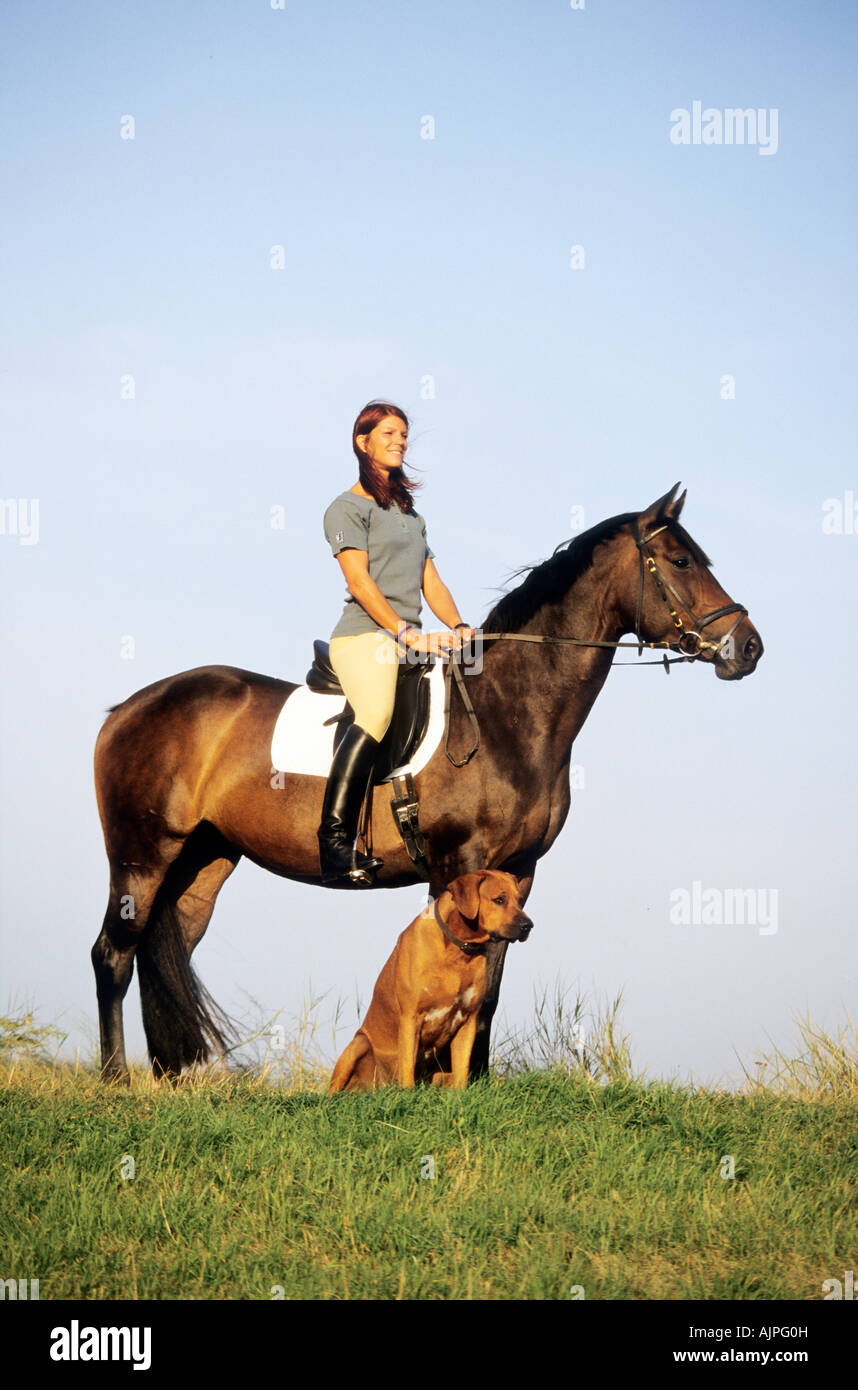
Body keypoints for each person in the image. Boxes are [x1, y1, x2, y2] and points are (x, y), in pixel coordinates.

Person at [318, 400, 475, 888]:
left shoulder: (411, 516)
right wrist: (405, 631)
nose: (399, 441)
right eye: (388, 432)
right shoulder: (345, 508)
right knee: (377, 713)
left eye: (403, 434)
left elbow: (432, 580)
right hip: (366, 635)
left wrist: (459, 625)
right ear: (362, 442)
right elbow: (361, 583)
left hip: (410, 641)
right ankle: (334, 842)